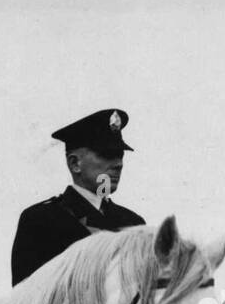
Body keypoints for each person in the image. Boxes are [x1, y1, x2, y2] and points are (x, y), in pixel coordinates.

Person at [10, 108, 145, 285]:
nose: (118, 164)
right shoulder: (40, 220)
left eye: (119, 156)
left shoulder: (134, 224)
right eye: (106, 154)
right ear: (75, 164)